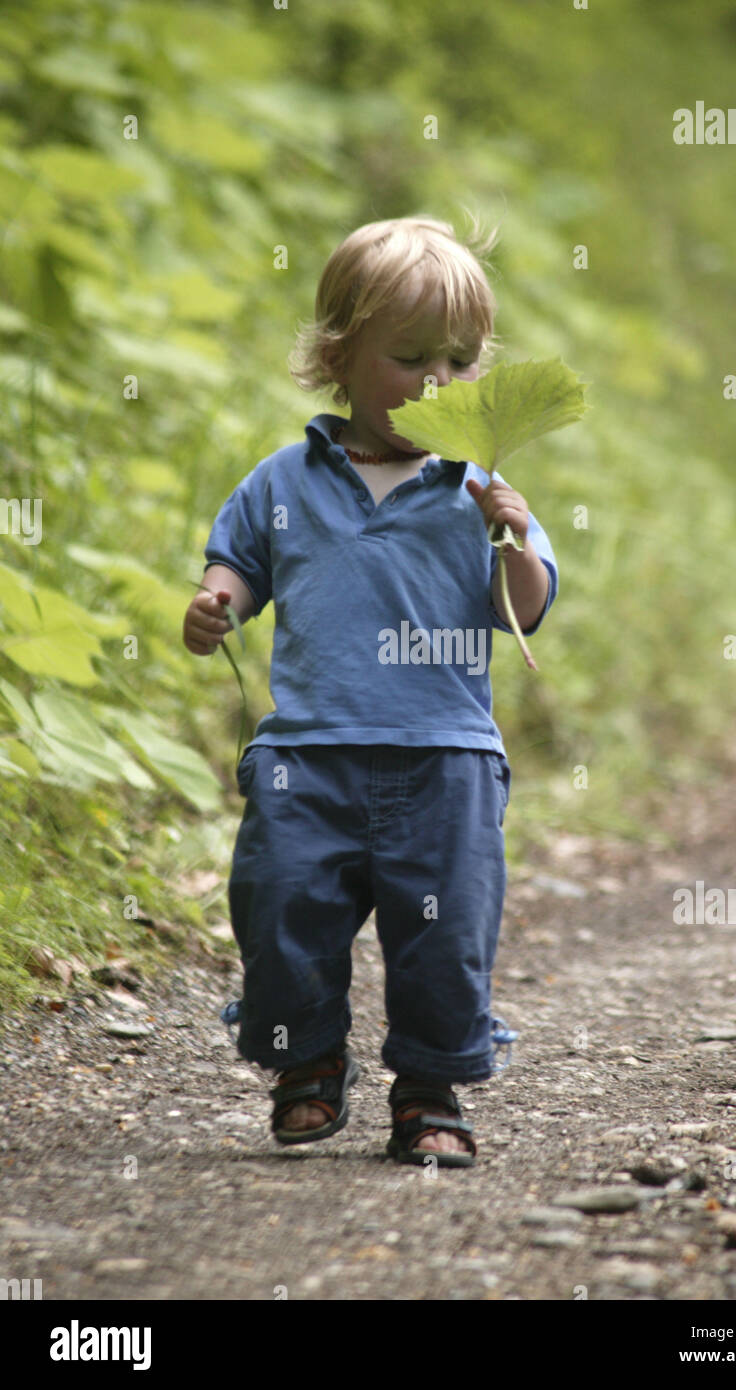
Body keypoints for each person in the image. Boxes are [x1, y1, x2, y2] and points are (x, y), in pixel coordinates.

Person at [182, 215, 558, 1166]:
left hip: (445, 756)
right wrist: (217, 601)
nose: (439, 382)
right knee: (279, 906)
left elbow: (530, 606)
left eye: (460, 361)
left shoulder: (480, 487)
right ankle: (305, 1059)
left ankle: (429, 1089)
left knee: (444, 936)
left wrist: (511, 536)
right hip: (307, 753)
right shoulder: (283, 480)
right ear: (338, 359)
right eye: (410, 357)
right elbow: (240, 562)